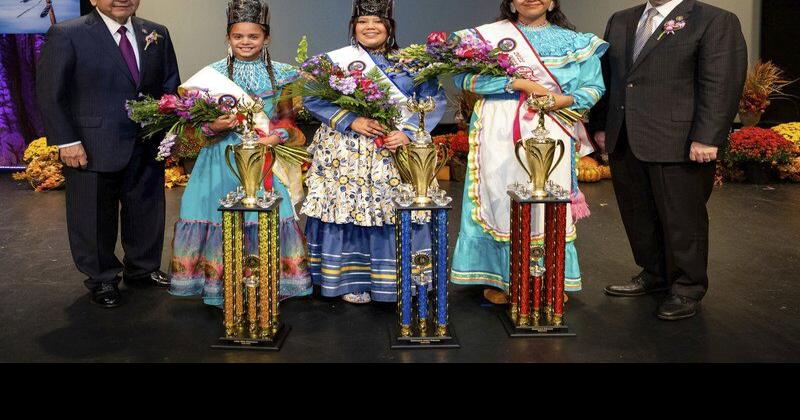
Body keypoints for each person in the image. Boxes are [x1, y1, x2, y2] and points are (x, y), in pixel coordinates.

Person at [591, 0, 747, 320]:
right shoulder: (621, 20)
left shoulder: (714, 20)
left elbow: (722, 82)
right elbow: (608, 77)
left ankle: (687, 287)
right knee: (638, 213)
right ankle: (655, 274)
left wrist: (708, 136)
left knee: (682, 219)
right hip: (626, 136)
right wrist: (601, 126)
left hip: (679, 140)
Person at [450, 0, 607, 304]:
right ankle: (502, 276)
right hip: (496, 128)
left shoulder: (575, 41)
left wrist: (564, 101)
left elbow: (594, 87)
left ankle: (548, 274)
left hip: (550, 125)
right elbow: (463, 78)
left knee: (547, 197)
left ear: (551, 1)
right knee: (499, 195)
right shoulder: (487, 37)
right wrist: (516, 83)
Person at [301, 0, 447, 304]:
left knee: (392, 210)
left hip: (393, 150)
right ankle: (350, 279)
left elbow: (433, 100)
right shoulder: (334, 62)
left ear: (389, 26)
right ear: (353, 25)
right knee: (348, 211)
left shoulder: (412, 62)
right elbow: (312, 98)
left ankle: (398, 277)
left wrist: (407, 133)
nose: (370, 27)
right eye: (363, 21)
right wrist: (353, 119)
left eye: (377, 21)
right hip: (345, 149)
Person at [36, 0, 180, 308]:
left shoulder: (157, 33)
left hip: (146, 142)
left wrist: (169, 130)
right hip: (90, 144)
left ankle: (143, 268)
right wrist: (66, 141)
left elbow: (170, 85)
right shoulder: (66, 33)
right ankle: (101, 278)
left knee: (146, 208)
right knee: (93, 215)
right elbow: (50, 92)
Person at [168, 0, 311, 306]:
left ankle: (267, 283)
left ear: (266, 38)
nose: (246, 42)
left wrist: (275, 136)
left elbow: (289, 120)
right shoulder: (210, 75)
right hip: (220, 160)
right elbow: (190, 130)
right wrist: (214, 126)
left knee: (266, 216)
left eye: (253, 37)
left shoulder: (285, 74)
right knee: (220, 217)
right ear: (228, 38)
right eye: (238, 37)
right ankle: (222, 286)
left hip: (263, 159)